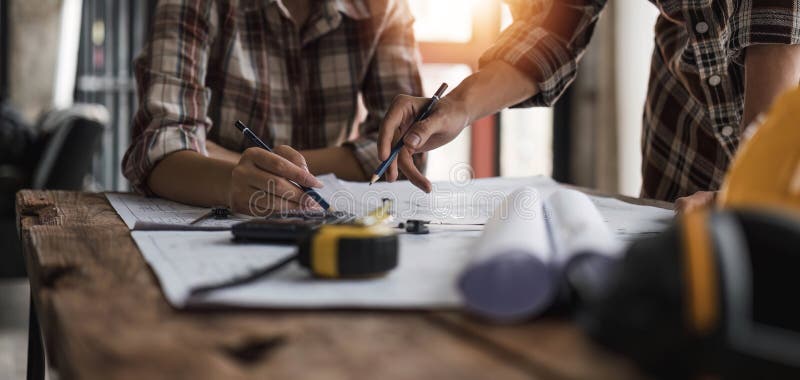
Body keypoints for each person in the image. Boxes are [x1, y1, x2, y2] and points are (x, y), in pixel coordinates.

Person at [377, 0, 800, 211]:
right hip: (687, 118)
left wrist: (751, 196)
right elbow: (553, 29)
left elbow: (780, 35)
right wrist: (457, 106)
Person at [122, 0, 422, 214]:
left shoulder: (385, 6)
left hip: (319, 220)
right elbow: (159, 149)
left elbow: (406, 151)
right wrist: (233, 182)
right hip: (215, 221)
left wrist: (241, 161)